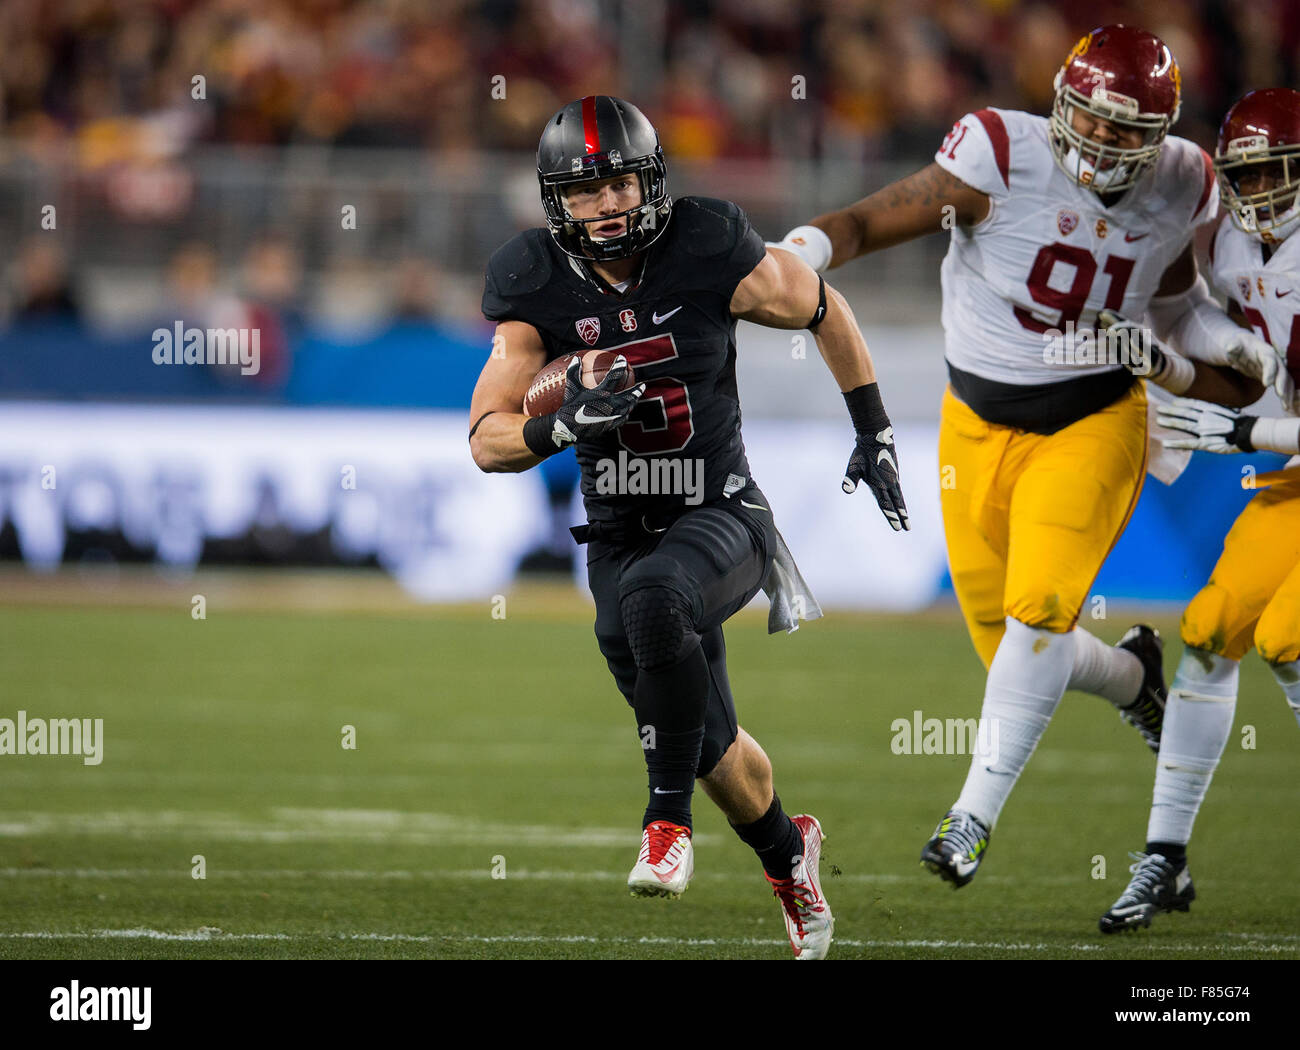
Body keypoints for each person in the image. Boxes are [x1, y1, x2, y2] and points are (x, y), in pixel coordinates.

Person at [773, 25, 1272, 888]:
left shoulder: (1185, 179)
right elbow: (865, 220)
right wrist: (799, 254)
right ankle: (1131, 676)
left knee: (1040, 611)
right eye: (1096, 120)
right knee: (1008, 643)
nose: (1110, 142)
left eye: (1130, 130)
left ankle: (969, 820)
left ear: (1162, 136)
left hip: (1095, 416)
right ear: (1062, 105)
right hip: (973, 424)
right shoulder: (1001, 152)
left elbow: (1173, 305)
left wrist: (1222, 349)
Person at [468, 95, 908, 959]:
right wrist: (560, 425)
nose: (607, 206)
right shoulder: (531, 279)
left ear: (652, 179)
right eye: (585, 192)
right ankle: (790, 855)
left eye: (621, 183)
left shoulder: (708, 245)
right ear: (556, 201)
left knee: (659, 597)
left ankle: (664, 824)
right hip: (617, 528)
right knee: (711, 744)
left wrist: (874, 428)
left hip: (722, 511)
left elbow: (827, 308)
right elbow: (487, 439)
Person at [1099, 88, 1300, 933]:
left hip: (1285, 450)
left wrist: (1249, 426)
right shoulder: (1226, 249)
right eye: (1244, 176)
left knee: (1289, 635)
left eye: (1273, 173)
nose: (1257, 194)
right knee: (1211, 628)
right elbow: (1212, 320)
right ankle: (1164, 857)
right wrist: (1185, 357)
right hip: (1293, 476)